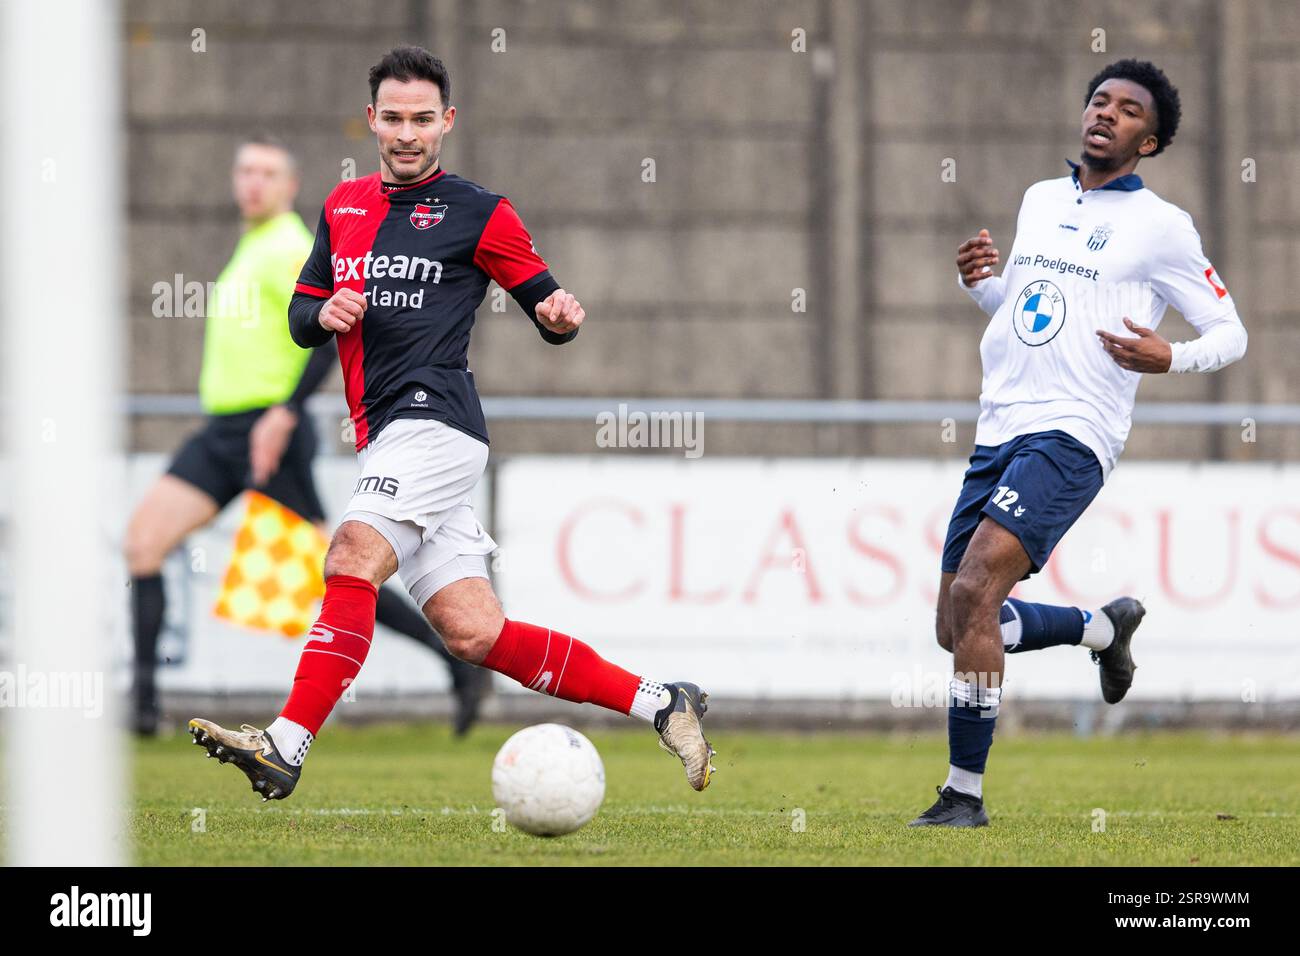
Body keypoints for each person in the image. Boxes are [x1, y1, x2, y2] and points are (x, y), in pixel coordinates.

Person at [187, 47, 716, 800]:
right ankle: (662, 702)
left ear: (447, 122)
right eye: (394, 118)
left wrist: (559, 318)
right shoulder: (343, 208)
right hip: (387, 433)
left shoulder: (480, 210)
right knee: (475, 634)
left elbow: (544, 302)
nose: (408, 134)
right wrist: (322, 312)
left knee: (349, 558)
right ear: (372, 119)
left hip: (436, 425)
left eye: (423, 119)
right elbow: (304, 311)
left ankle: (286, 744)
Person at [912, 59, 1248, 827]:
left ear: (1149, 142)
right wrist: (980, 288)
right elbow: (1033, 309)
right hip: (999, 424)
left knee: (974, 595)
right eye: (1100, 100)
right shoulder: (1039, 199)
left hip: (1074, 432)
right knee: (957, 626)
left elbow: (1231, 333)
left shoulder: (1161, 226)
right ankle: (1103, 628)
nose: (1107, 113)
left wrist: (1174, 356)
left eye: (1129, 110)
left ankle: (963, 796)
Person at [125, 135, 490, 739]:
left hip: (269, 428)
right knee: (143, 543)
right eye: (245, 171)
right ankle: (141, 711)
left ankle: (458, 666)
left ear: (290, 186)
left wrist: (286, 413)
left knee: (346, 566)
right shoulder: (251, 246)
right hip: (221, 432)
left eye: (267, 173)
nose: (253, 183)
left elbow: (328, 334)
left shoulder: (296, 245)